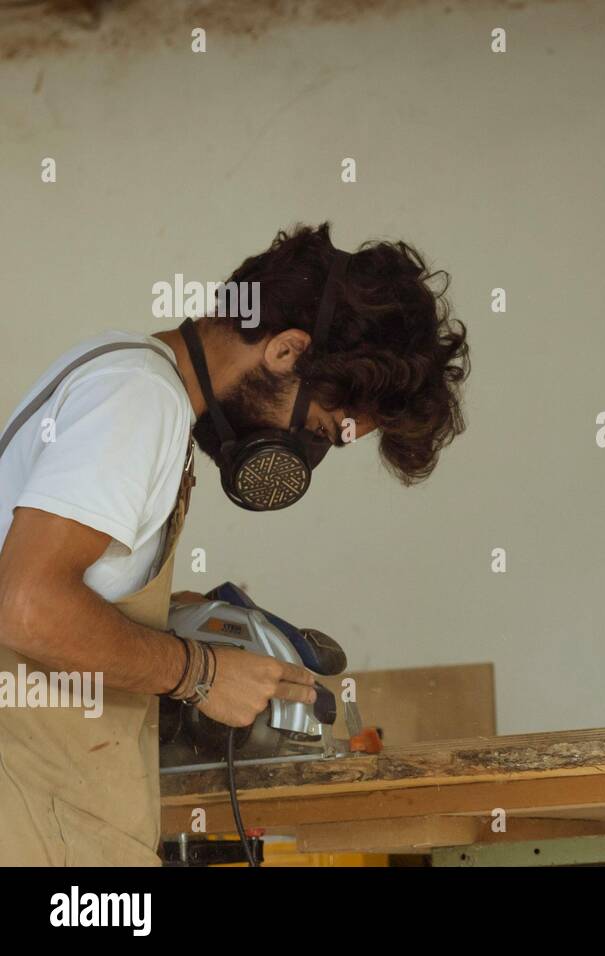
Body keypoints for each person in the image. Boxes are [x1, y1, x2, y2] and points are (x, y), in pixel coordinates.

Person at [0, 222, 468, 865]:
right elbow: (24, 605)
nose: (303, 456)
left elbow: (57, 588)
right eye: (323, 434)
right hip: (31, 825)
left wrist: (183, 620)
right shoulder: (141, 401)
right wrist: (200, 673)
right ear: (284, 353)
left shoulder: (125, 372)